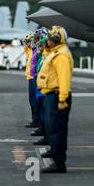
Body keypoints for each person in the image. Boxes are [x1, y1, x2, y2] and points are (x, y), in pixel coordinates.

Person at [37, 26, 73, 173]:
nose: (47, 41)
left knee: (57, 130)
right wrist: (45, 47)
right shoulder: (55, 52)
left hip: (57, 96)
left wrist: (62, 99)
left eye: (50, 39)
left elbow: (64, 79)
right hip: (50, 95)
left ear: (56, 40)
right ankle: (54, 152)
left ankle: (59, 163)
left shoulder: (62, 56)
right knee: (52, 128)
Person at [23, 33, 39, 128]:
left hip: (34, 77)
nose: (26, 44)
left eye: (28, 42)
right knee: (31, 101)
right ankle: (34, 119)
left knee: (35, 101)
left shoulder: (36, 51)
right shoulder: (29, 51)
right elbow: (25, 48)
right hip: (30, 77)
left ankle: (37, 120)